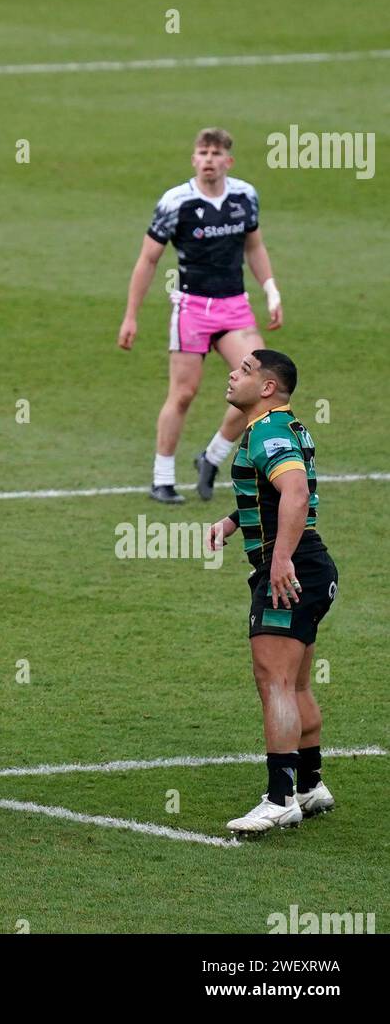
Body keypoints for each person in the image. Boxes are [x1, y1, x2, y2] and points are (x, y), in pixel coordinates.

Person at [207, 352, 338, 836]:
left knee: (275, 682)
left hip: (293, 566)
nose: (232, 373)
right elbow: (272, 495)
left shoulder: (267, 431)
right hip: (310, 565)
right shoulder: (281, 426)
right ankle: (309, 785)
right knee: (297, 683)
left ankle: (281, 798)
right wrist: (233, 520)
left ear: (266, 387)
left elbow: (296, 494)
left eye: (243, 369)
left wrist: (280, 559)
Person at [118, 128, 284, 505]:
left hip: (235, 307)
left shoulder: (245, 196)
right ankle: (162, 479)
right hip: (192, 308)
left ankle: (211, 457)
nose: (209, 159)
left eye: (216, 153)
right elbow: (148, 260)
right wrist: (131, 316)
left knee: (261, 385)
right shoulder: (176, 202)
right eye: (202, 152)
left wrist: (271, 291)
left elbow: (254, 248)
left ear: (229, 160)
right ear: (194, 159)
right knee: (184, 393)